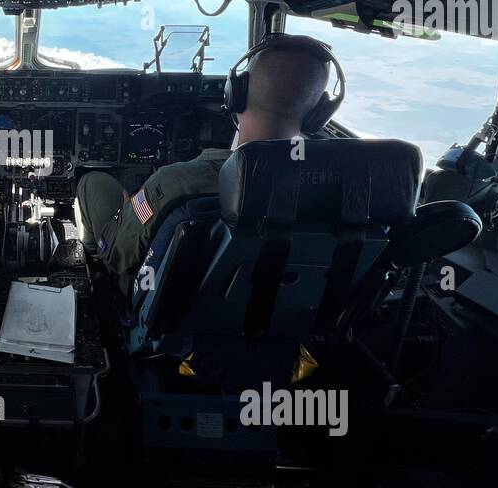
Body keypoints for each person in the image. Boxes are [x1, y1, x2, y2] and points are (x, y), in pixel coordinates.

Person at [76, 33, 334, 298]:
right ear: (319, 114)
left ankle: (96, 277)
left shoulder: (175, 182)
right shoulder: (335, 187)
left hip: (162, 307)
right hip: (280, 316)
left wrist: (133, 210)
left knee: (92, 182)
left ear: (236, 94)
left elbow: (118, 254)